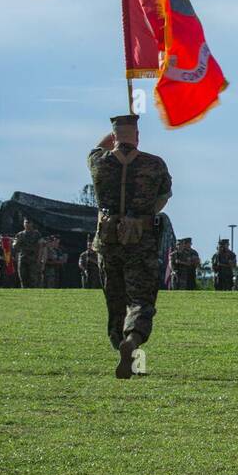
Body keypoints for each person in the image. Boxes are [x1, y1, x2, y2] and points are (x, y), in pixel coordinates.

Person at [89, 113, 173, 379]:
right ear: (137, 136)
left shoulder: (99, 163)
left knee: (115, 300)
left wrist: (114, 136)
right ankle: (133, 341)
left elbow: (98, 147)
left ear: (113, 136)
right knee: (141, 300)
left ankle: (123, 351)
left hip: (108, 241)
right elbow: (163, 198)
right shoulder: (154, 164)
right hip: (141, 240)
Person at [14, 219, 44, 289]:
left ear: (32, 224)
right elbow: (15, 247)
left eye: (28, 222)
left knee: (33, 278)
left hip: (33, 258)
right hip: (22, 258)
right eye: (25, 222)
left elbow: (40, 246)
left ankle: (33, 294)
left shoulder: (37, 234)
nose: (27, 224)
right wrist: (16, 243)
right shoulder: (20, 234)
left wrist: (39, 259)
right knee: (22, 277)